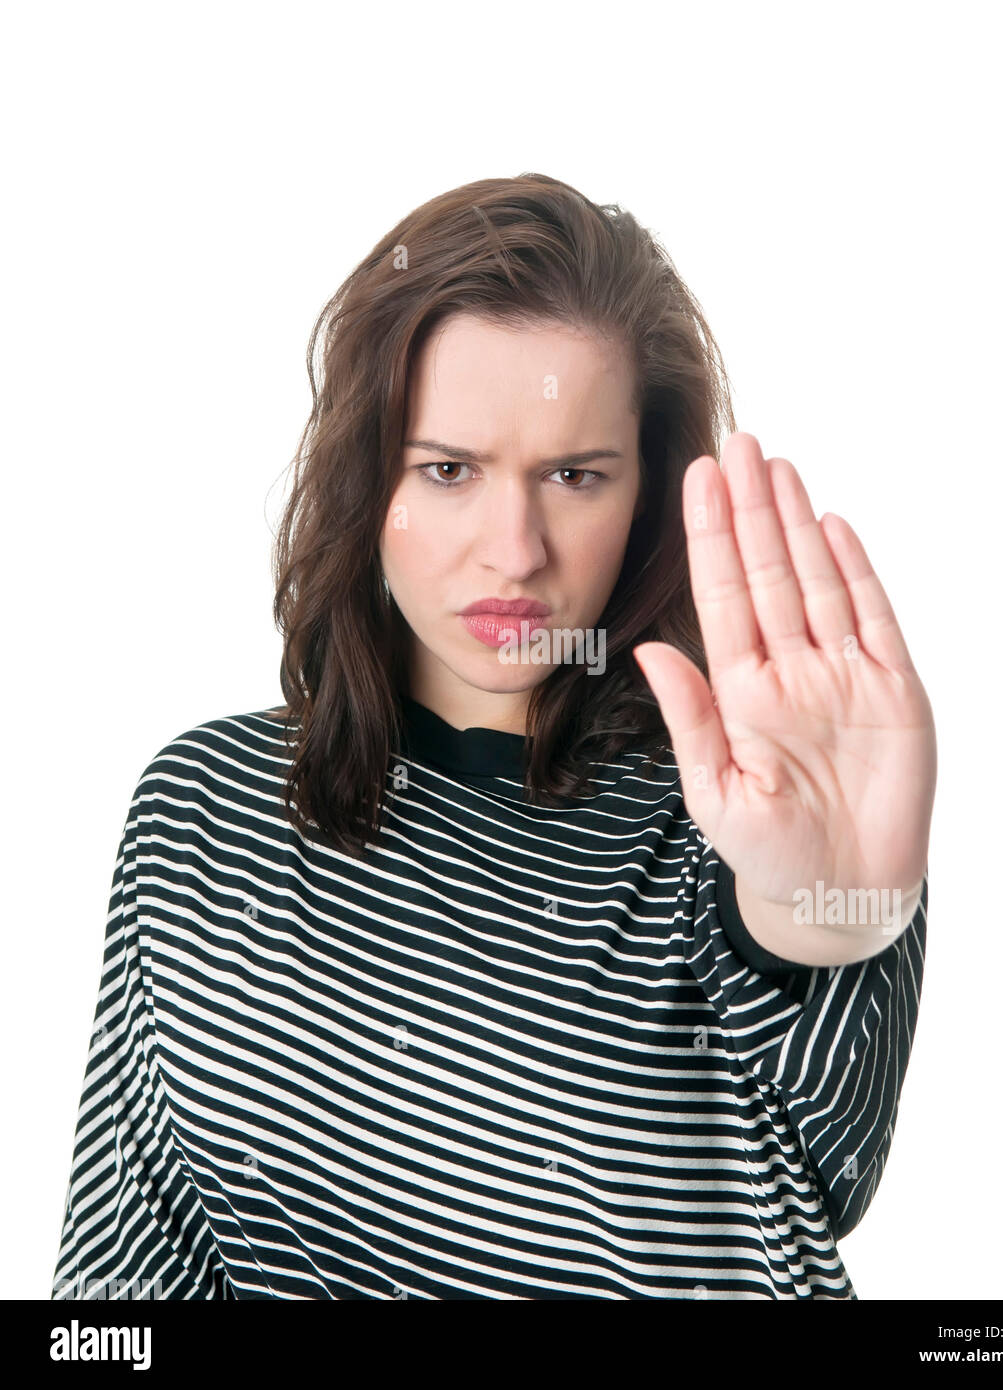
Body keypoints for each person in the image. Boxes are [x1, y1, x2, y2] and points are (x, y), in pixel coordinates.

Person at [51, 172, 935, 1301]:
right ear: (370, 478)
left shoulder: (753, 804)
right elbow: (120, 1288)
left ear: (649, 490)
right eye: (450, 470)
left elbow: (827, 1172)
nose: (514, 551)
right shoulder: (201, 807)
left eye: (574, 475)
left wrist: (826, 917)